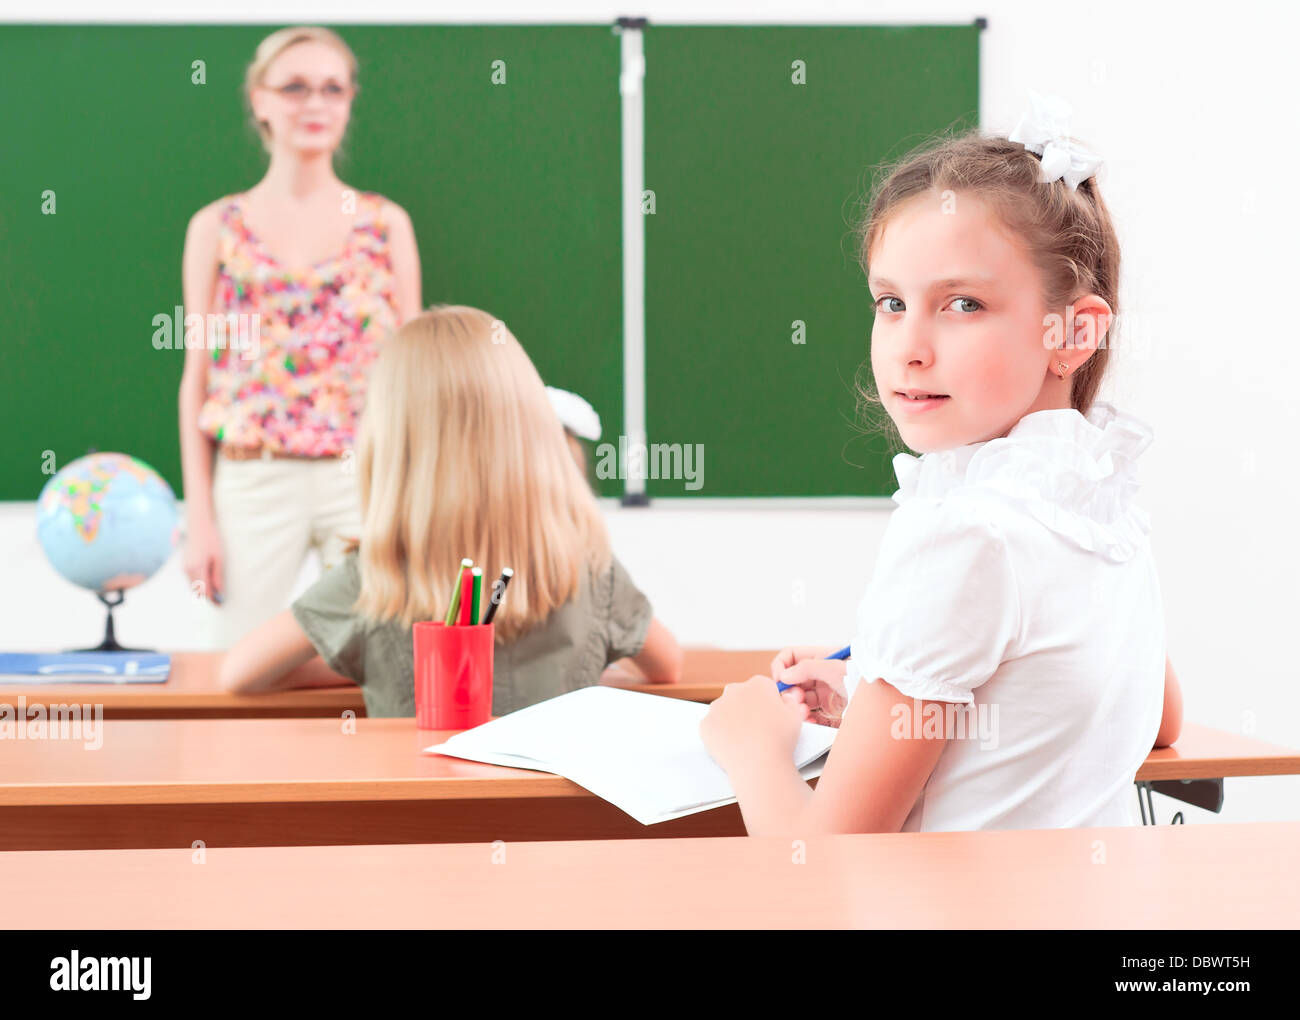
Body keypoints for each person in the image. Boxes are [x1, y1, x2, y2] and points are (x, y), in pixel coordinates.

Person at [700, 92, 1183, 835]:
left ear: (1073, 333)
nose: (910, 346)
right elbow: (1157, 718)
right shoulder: (1098, 504)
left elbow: (823, 872)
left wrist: (751, 747)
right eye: (890, 303)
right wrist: (883, 693)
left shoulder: (965, 536)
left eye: (961, 305)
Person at [219, 305, 682, 714]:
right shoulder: (589, 571)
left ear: (393, 450)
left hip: (414, 815)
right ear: (535, 430)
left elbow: (240, 674)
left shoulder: (374, 582)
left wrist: (352, 663)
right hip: (560, 816)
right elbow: (666, 668)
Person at [178, 25, 422, 649]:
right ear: (259, 100)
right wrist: (200, 518)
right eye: (294, 87)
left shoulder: (385, 225)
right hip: (254, 479)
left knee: (386, 657)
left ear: (349, 101)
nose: (315, 104)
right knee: (228, 667)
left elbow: (416, 378)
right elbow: (196, 378)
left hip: (365, 477)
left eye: (332, 89)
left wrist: (419, 501)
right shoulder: (217, 227)